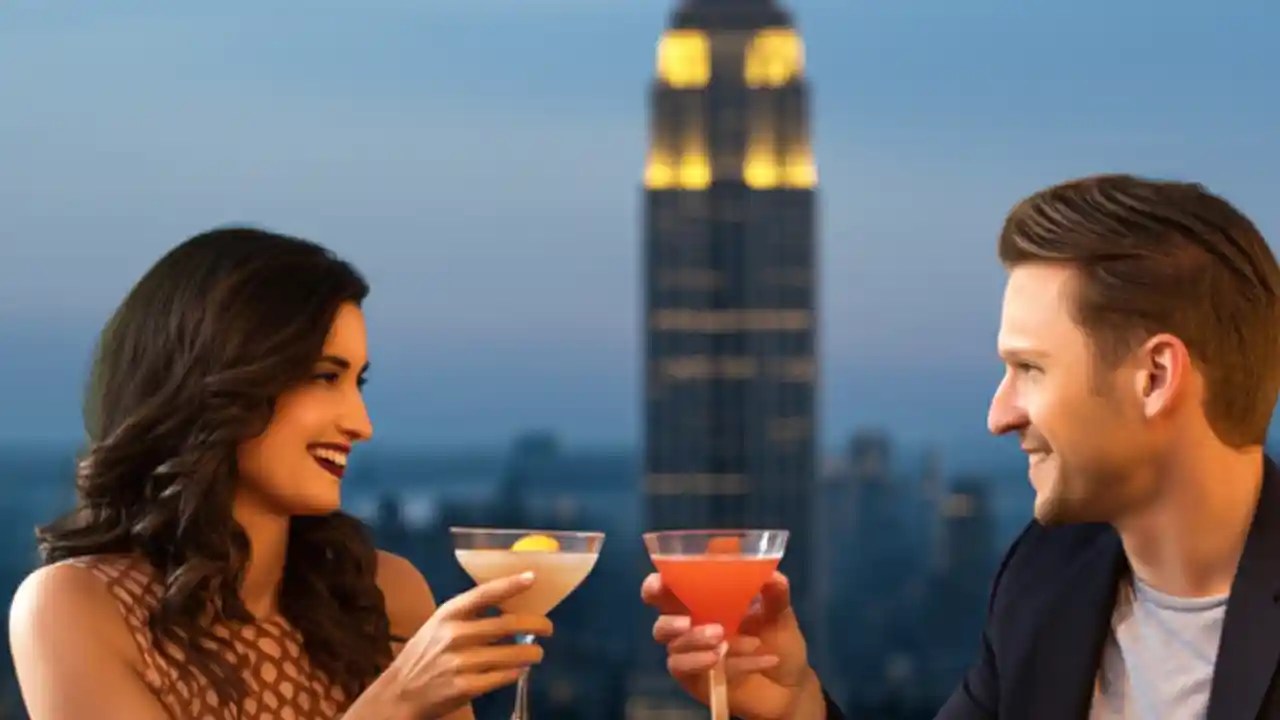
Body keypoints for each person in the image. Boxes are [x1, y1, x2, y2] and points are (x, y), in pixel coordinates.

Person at [643, 173, 1280, 719]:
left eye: (1030, 368)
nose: (998, 416)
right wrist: (795, 706)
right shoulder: (1048, 578)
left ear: (1155, 378)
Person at [8, 227, 550, 719]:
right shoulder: (76, 609)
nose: (360, 425)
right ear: (217, 381)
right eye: (324, 377)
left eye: (357, 382)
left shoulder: (387, 594)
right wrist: (394, 704)